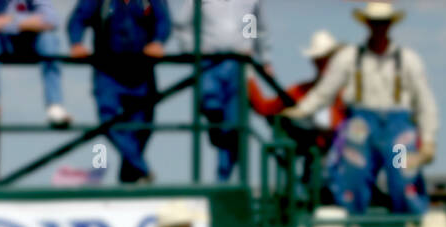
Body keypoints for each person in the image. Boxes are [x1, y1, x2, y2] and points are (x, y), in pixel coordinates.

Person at [280, 1, 437, 215]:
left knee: (403, 177)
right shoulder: (350, 58)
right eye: (375, 23)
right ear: (367, 25)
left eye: (383, 23)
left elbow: (425, 101)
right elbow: (325, 90)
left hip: (398, 129)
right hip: (362, 124)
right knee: (353, 176)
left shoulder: (408, 60)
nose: (379, 27)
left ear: (390, 25)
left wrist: (428, 139)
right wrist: (302, 110)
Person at [68, 0, 171, 184]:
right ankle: (143, 170)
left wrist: (158, 42)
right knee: (108, 119)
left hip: (141, 73)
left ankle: (130, 178)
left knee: (141, 129)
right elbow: (78, 19)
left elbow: (164, 20)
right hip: (107, 72)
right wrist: (76, 42)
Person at [173, 0, 270, 183]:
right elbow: (181, 25)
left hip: (238, 65)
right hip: (208, 63)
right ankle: (218, 144)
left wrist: (263, 57)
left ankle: (223, 178)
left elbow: (257, 25)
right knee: (212, 107)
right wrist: (193, 47)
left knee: (233, 125)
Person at [247, 29, 345, 162]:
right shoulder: (300, 91)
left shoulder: (347, 93)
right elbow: (265, 107)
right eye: (319, 59)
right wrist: (248, 75)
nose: (323, 64)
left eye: (327, 58)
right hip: (316, 163)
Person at [0, 0, 71, 127]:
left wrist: (11, 21)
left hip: (32, 41)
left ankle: (55, 106)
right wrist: (29, 21)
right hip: (3, 42)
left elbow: (52, 19)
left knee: (49, 40)